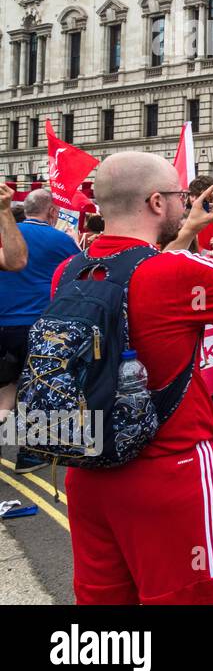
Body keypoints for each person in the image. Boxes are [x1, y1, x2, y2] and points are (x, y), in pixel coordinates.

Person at [57, 153, 213, 604]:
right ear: (157, 202)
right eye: (181, 198)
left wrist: (187, 232)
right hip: (169, 469)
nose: (186, 204)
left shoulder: (71, 271)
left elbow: (134, 274)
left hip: (87, 473)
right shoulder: (179, 272)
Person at [0, 189, 77, 472]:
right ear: (53, 212)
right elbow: (79, 273)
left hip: (3, 320)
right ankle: (30, 455)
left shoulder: (7, 233)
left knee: (6, 387)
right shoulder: (60, 239)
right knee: (39, 387)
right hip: (38, 323)